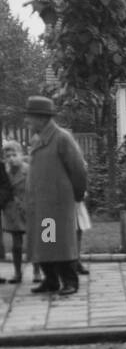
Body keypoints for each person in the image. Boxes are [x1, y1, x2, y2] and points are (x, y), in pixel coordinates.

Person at [23, 95, 88, 296]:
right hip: (43, 205)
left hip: (57, 205)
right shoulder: (39, 139)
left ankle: (70, 281)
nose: (27, 121)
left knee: (61, 243)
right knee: (47, 242)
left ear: (41, 118)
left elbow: (79, 170)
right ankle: (51, 281)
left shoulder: (61, 138)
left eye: (30, 117)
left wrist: (77, 196)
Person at [2, 140, 32, 284]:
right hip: (12, 210)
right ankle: (17, 272)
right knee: (16, 244)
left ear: (21, 154)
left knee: (35, 241)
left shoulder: (28, 169)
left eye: (14, 154)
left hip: (29, 207)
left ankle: (38, 271)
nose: (11, 158)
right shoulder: (4, 172)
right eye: (8, 156)